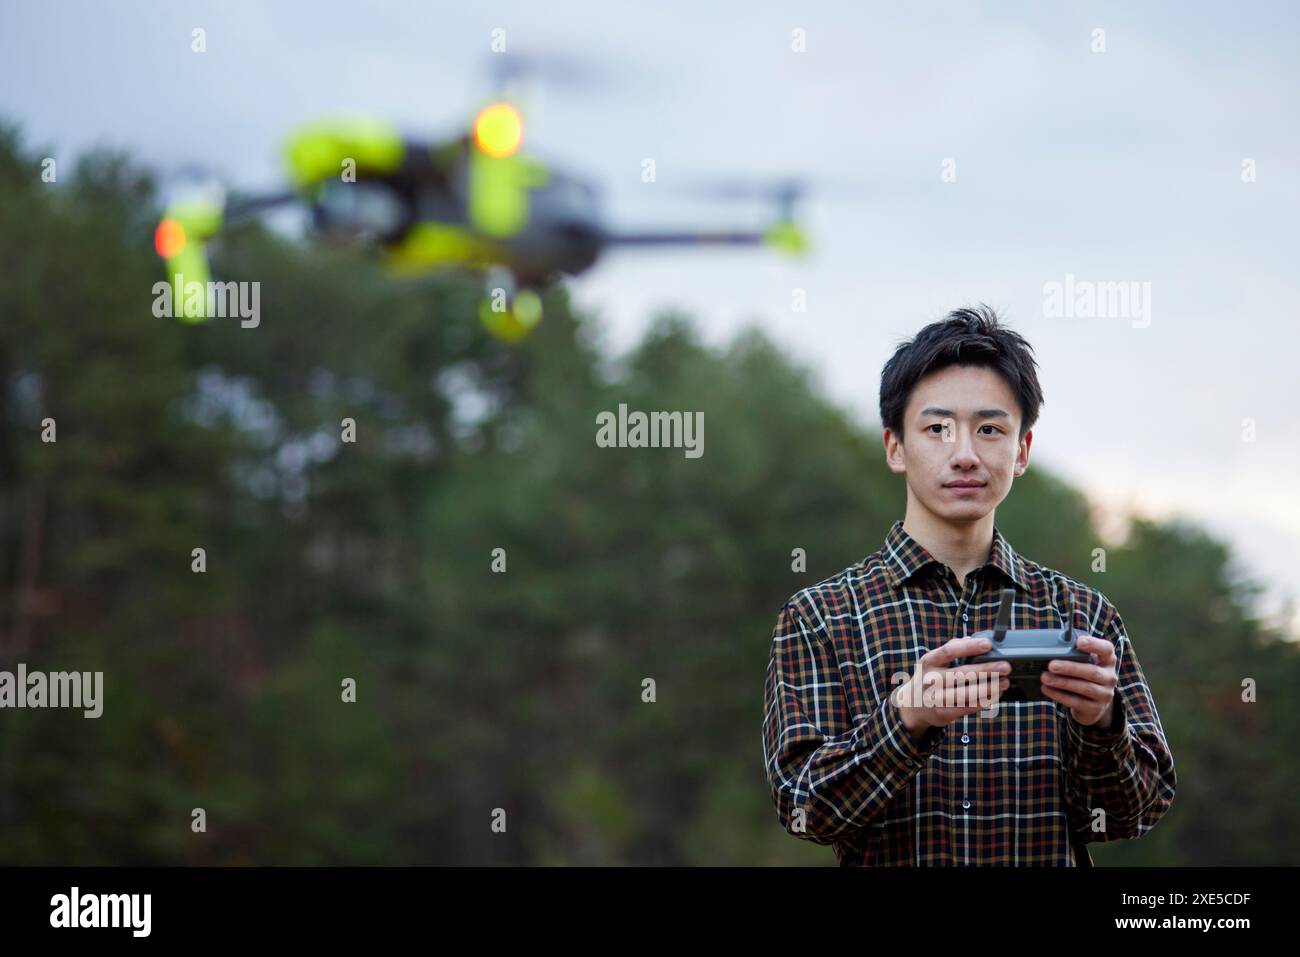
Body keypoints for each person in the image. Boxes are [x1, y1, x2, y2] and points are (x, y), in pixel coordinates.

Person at [761, 305, 1176, 865]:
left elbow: (1135, 812)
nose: (964, 454)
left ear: (1022, 450)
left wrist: (1099, 722)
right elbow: (801, 807)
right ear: (895, 447)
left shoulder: (1082, 614)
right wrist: (905, 719)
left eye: (989, 429)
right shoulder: (821, 615)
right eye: (936, 429)